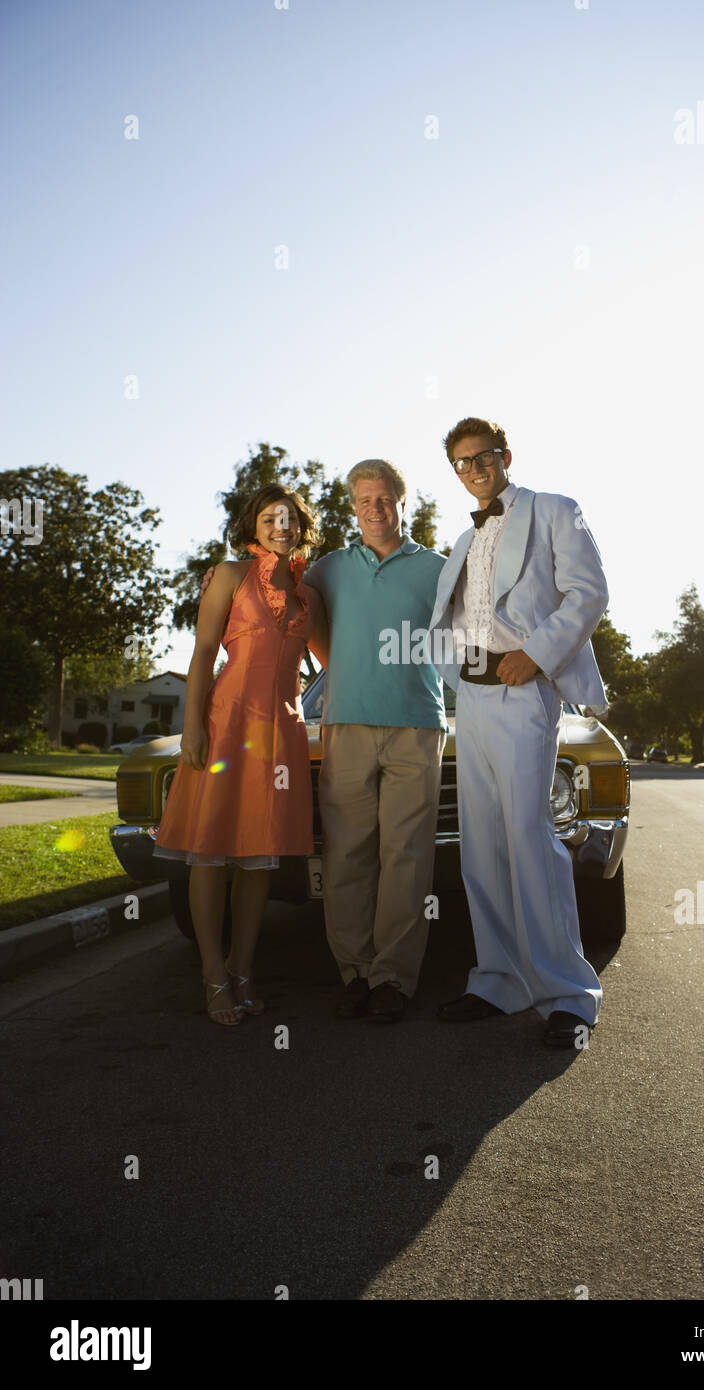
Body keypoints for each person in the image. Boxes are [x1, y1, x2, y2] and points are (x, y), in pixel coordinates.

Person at [428, 417, 609, 1047]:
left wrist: (535, 653)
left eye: (482, 458)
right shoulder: (462, 537)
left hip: (524, 690)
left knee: (531, 840)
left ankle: (569, 993)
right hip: (471, 701)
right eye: (462, 463)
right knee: (483, 847)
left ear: (505, 456)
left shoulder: (556, 510)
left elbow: (588, 593)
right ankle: (499, 979)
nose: (474, 471)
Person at [155, 484, 328, 1026]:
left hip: (282, 732)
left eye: (291, 519)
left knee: (259, 859)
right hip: (226, 725)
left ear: (302, 528)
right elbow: (204, 651)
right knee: (210, 853)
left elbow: (330, 661)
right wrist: (191, 729)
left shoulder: (308, 596)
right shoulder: (228, 575)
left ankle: (243, 969)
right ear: (252, 526)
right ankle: (213, 975)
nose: (281, 526)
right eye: (269, 517)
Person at [303, 460, 447, 1023]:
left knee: (406, 856)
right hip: (347, 725)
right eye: (364, 500)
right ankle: (355, 972)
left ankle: (393, 978)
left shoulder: (437, 567)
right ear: (353, 507)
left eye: (384, 499)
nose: (375, 509)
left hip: (416, 724)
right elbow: (292, 610)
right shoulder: (329, 569)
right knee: (347, 852)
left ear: (402, 502)